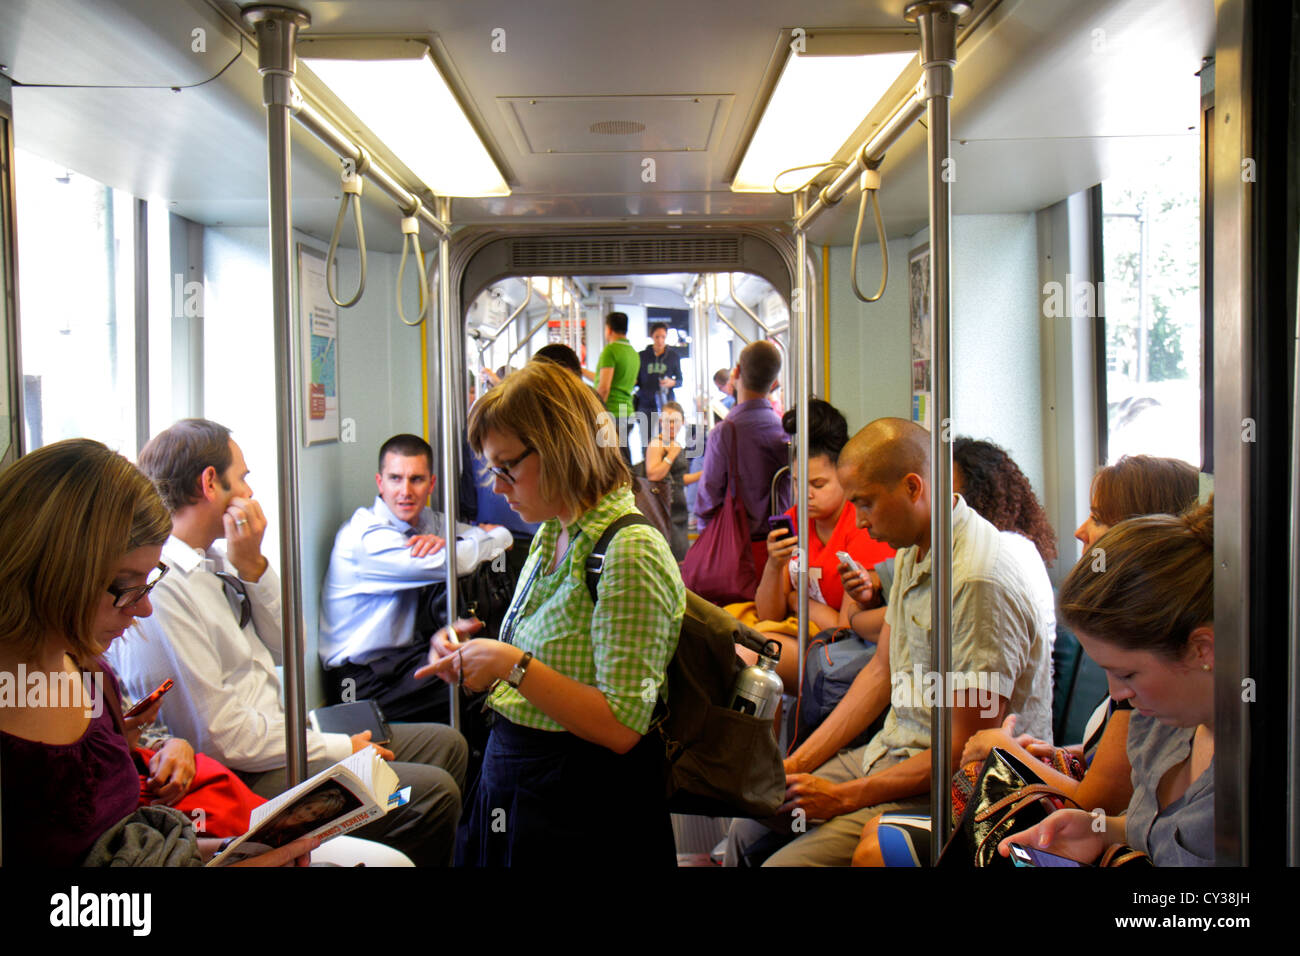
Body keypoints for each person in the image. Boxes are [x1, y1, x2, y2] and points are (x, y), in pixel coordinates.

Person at [107, 419, 468, 866]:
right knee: (432, 793)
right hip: (248, 771)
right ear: (210, 483)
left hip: (281, 730)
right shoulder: (165, 588)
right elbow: (220, 738)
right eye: (242, 478)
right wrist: (343, 749)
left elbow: (288, 650)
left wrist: (254, 567)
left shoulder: (220, 558)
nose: (250, 493)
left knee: (447, 743)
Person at [723, 417, 1054, 867]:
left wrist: (842, 798)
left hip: (947, 788)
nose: (859, 520)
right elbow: (881, 672)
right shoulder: (917, 549)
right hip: (891, 752)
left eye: (866, 504)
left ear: (913, 488)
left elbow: (963, 752)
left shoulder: (977, 579)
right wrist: (799, 763)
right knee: (749, 819)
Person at [0, 439, 320, 867]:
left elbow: (120, 843)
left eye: (147, 583)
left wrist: (234, 850)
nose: (143, 607)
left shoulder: (90, 673)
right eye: (126, 585)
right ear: (56, 569)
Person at [416, 359, 685, 866]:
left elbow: (621, 726)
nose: (498, 488)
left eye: (507, 468)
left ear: (560, 448)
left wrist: (508, 665)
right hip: (526, 779)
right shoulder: (554, 531)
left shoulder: (630, 551)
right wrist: (476, 655)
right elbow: (557, 654)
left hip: (581, 802)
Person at [1001, 499, 1216, 866]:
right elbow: (1157, 832)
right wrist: (1101, 829)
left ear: (1201, 650)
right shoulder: (1157, 724)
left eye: (1128, 674)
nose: (1119, 695)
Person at [318, 433, 512, 723]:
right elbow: (459, 559)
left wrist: (454, 541)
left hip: (402, 660)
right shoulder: (368, 537)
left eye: (416, 480)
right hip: (362, 680)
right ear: (380, 483)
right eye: (395, 479)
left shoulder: (426, 522)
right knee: (483, 677)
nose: (405, 491)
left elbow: (501, 535)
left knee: (482, 658)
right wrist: (455, 547)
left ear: (431, 483)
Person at [736, 399, 894, 691]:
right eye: (797, 483)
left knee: (752, 661)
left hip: (843, 651)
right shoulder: (793, 520)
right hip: (801, 636)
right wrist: (775, 564)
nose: (805, 494)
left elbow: (846, 628)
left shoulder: (861, 526)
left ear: (845, 478)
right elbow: (769, 613)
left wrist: (799, 602)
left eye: (818, 485)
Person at [693, 339, 791, 573]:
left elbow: (708, 498)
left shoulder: (725, 432)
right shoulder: (785, 431)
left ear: (735, 373)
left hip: (736, 550)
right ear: (775, 382)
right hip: (781, 548)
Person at [582, 311, 640, 465]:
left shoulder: (611, 350)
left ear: (608, 329)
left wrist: (595, 410)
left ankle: (628, 487)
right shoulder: (633, 353)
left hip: (612, 412)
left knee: (610, 462)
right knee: (622, 457)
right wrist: (581, 371)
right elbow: (609, 378)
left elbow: (604, 388)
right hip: (626, 411)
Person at [644, 401, 699, 560]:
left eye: (675, 421)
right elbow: (653, 475)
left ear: (682, 422)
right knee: (673, 559)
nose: (671, 425)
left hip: (678, 511)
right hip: (665, 514)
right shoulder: (657, 444)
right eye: (667, 420)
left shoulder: (674, 444)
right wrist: (671, 456)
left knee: (681, 559)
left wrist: (704, 473)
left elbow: (679, 480)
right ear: (661, 421)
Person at [634, 322, 682, 451]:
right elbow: (637, 380)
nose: (660, 340)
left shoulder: (673, 356)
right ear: (652, 337)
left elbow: (680, 380)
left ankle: (665, 468)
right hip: (646, 403)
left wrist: (671, 382)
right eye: (657, 337)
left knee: (666, 441)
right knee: (647, 443)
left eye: (663, 337)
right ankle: (648, 469)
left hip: (666, 405)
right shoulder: (642, 356)